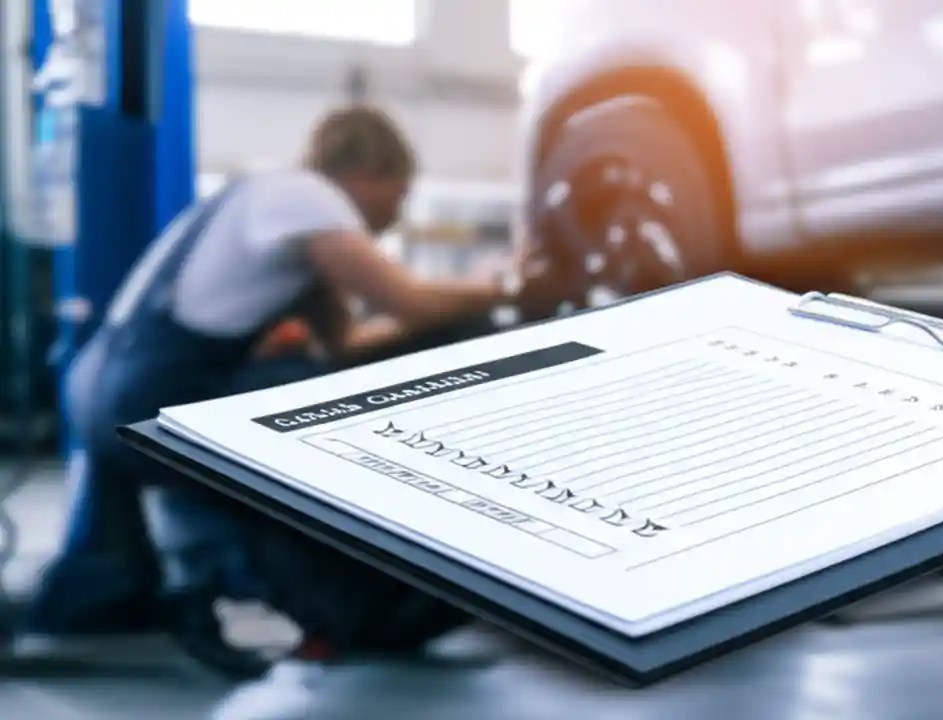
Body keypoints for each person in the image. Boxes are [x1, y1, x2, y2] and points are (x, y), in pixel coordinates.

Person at [12, 105, 559, 678]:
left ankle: (165, 589)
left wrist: (462, 305)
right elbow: (409, 302)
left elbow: (345, 343)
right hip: (148, 394)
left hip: (98, 386)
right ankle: (274, 595)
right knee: (296, 424)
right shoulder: (308, 196)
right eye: (398, 196)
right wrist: (504, 289)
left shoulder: (267, 201)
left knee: (295, 392)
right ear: (369, 173)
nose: (394, 218)